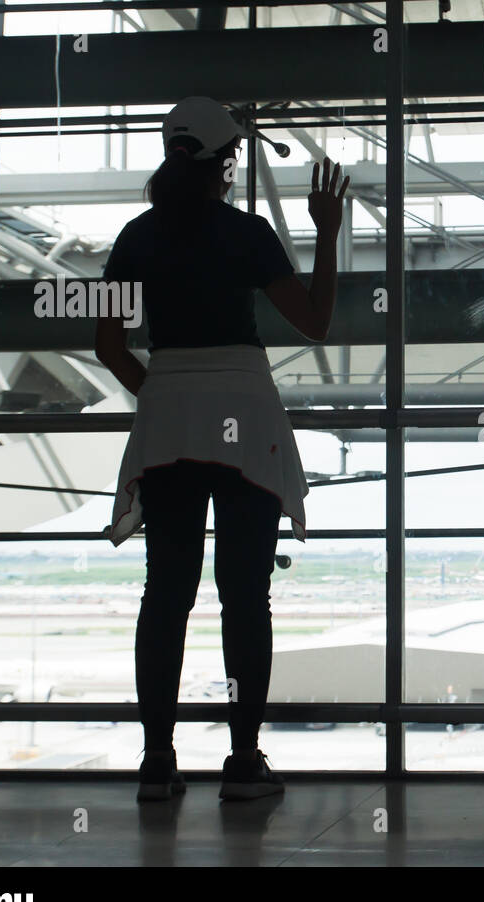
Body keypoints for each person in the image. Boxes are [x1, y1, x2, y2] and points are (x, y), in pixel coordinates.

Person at [94, 96, 349, 802]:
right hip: (243, 408)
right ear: (225, 164)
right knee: (245, 597)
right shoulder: (249, 234)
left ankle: (156, 761)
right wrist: (325, 231)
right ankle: (242, 760)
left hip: (170, 416)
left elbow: (108, 345)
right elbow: (317, 322)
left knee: (166, 596)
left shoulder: (136, 237)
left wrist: (164, 394)